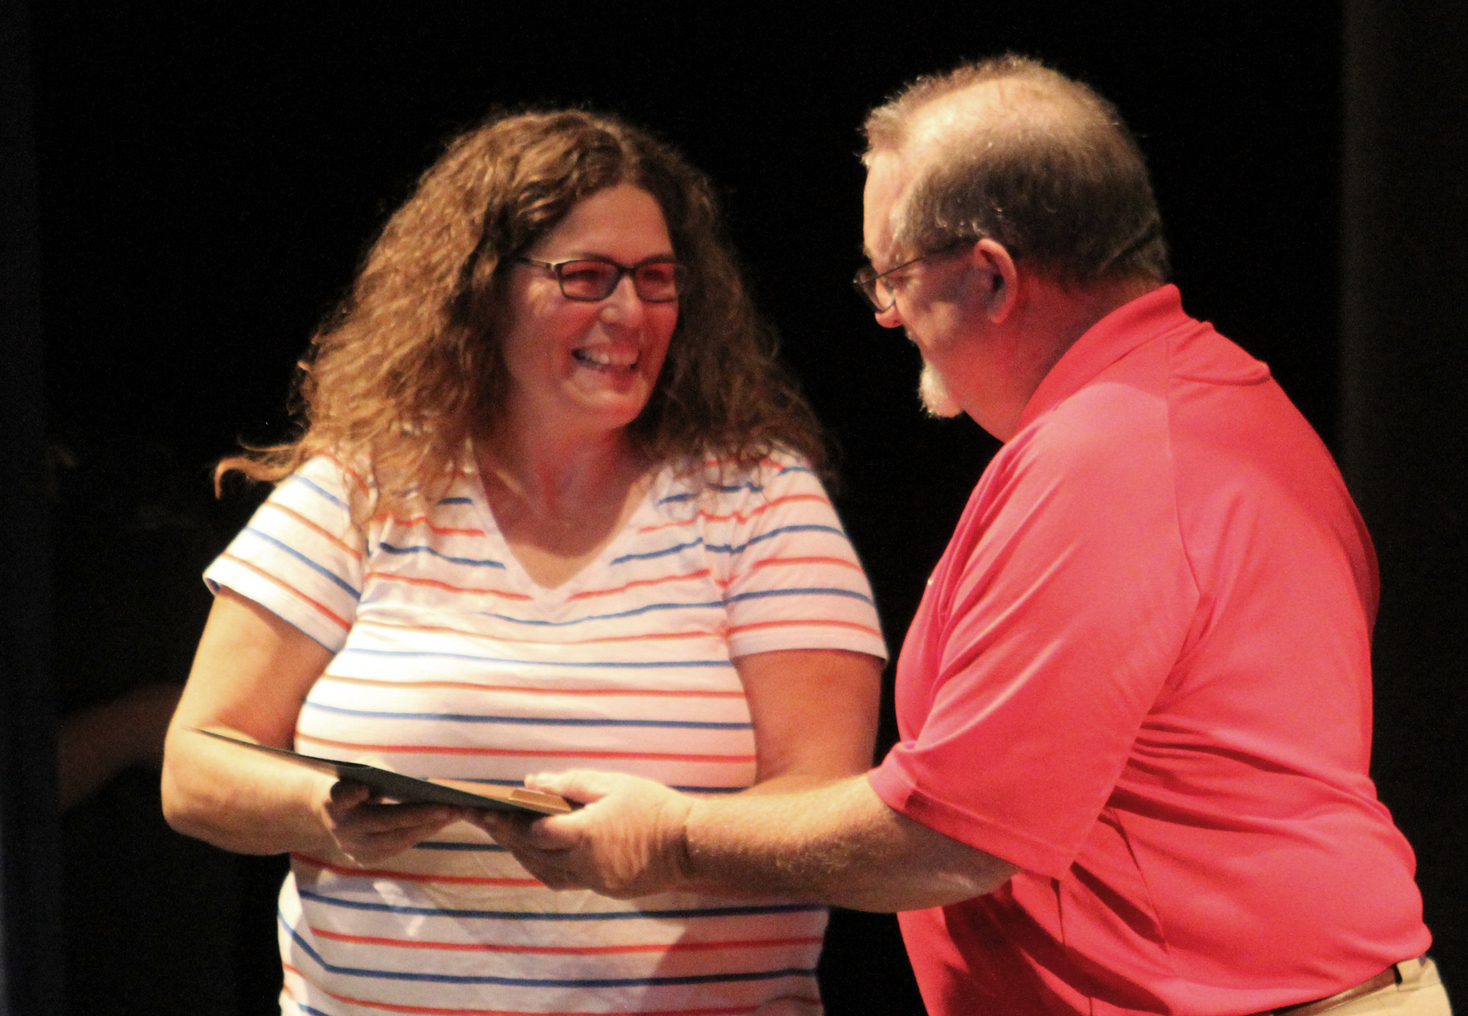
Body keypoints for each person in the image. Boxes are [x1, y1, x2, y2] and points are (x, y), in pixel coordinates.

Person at [481, 58, 1454, 1016]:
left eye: (892, 274)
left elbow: (949, 835)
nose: (884, 312)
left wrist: (672, 837)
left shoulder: (1108, 457)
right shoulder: (1215, 397)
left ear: (989, 274)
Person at [160, 109, 886, 1016]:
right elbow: (197, 765)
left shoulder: (758, 502)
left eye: (657, 280)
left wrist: (673, 840)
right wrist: (324, 808)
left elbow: (831, 803)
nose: (628, 311)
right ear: (479, 289)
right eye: (586, 277)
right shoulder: (364, 488)